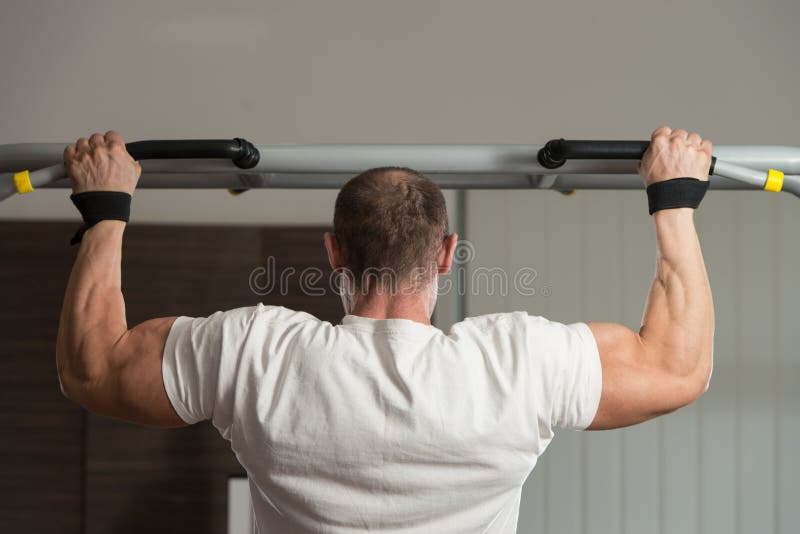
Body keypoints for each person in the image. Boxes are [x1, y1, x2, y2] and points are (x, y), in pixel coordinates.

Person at [57, 127, 714, 533]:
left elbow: (94, 368)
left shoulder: (255, 352)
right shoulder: (516, 363)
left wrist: (106, 207)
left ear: (334, 252)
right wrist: (675, 200)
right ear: (448, 253)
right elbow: (676, 368)